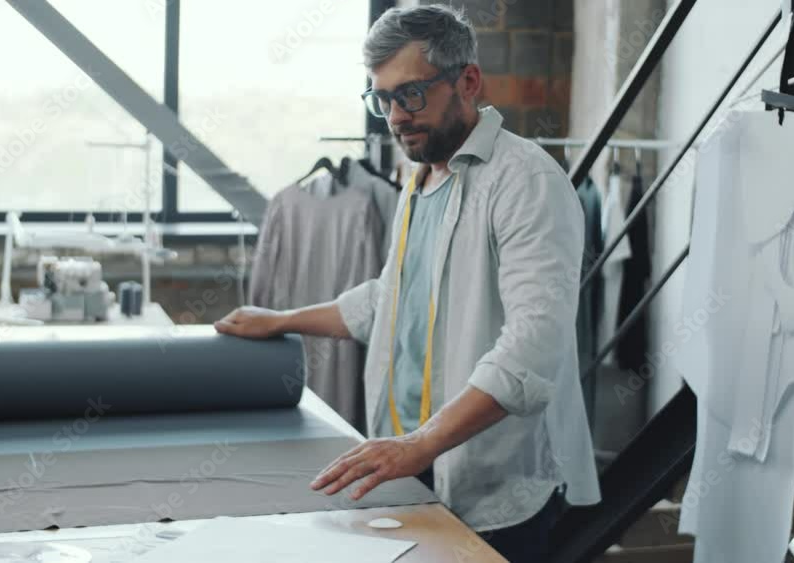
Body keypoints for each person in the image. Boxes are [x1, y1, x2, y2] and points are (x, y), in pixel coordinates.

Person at [214, 5, 600, 560]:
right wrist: (280, 320)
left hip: (494, 492)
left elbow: (532, 349)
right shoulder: (420, 180)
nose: (395, 116)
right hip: (414, 475)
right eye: (383, 99)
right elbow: (388, 302)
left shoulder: (525, 181)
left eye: (411, 95)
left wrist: (420, 445)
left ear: (467, 81)